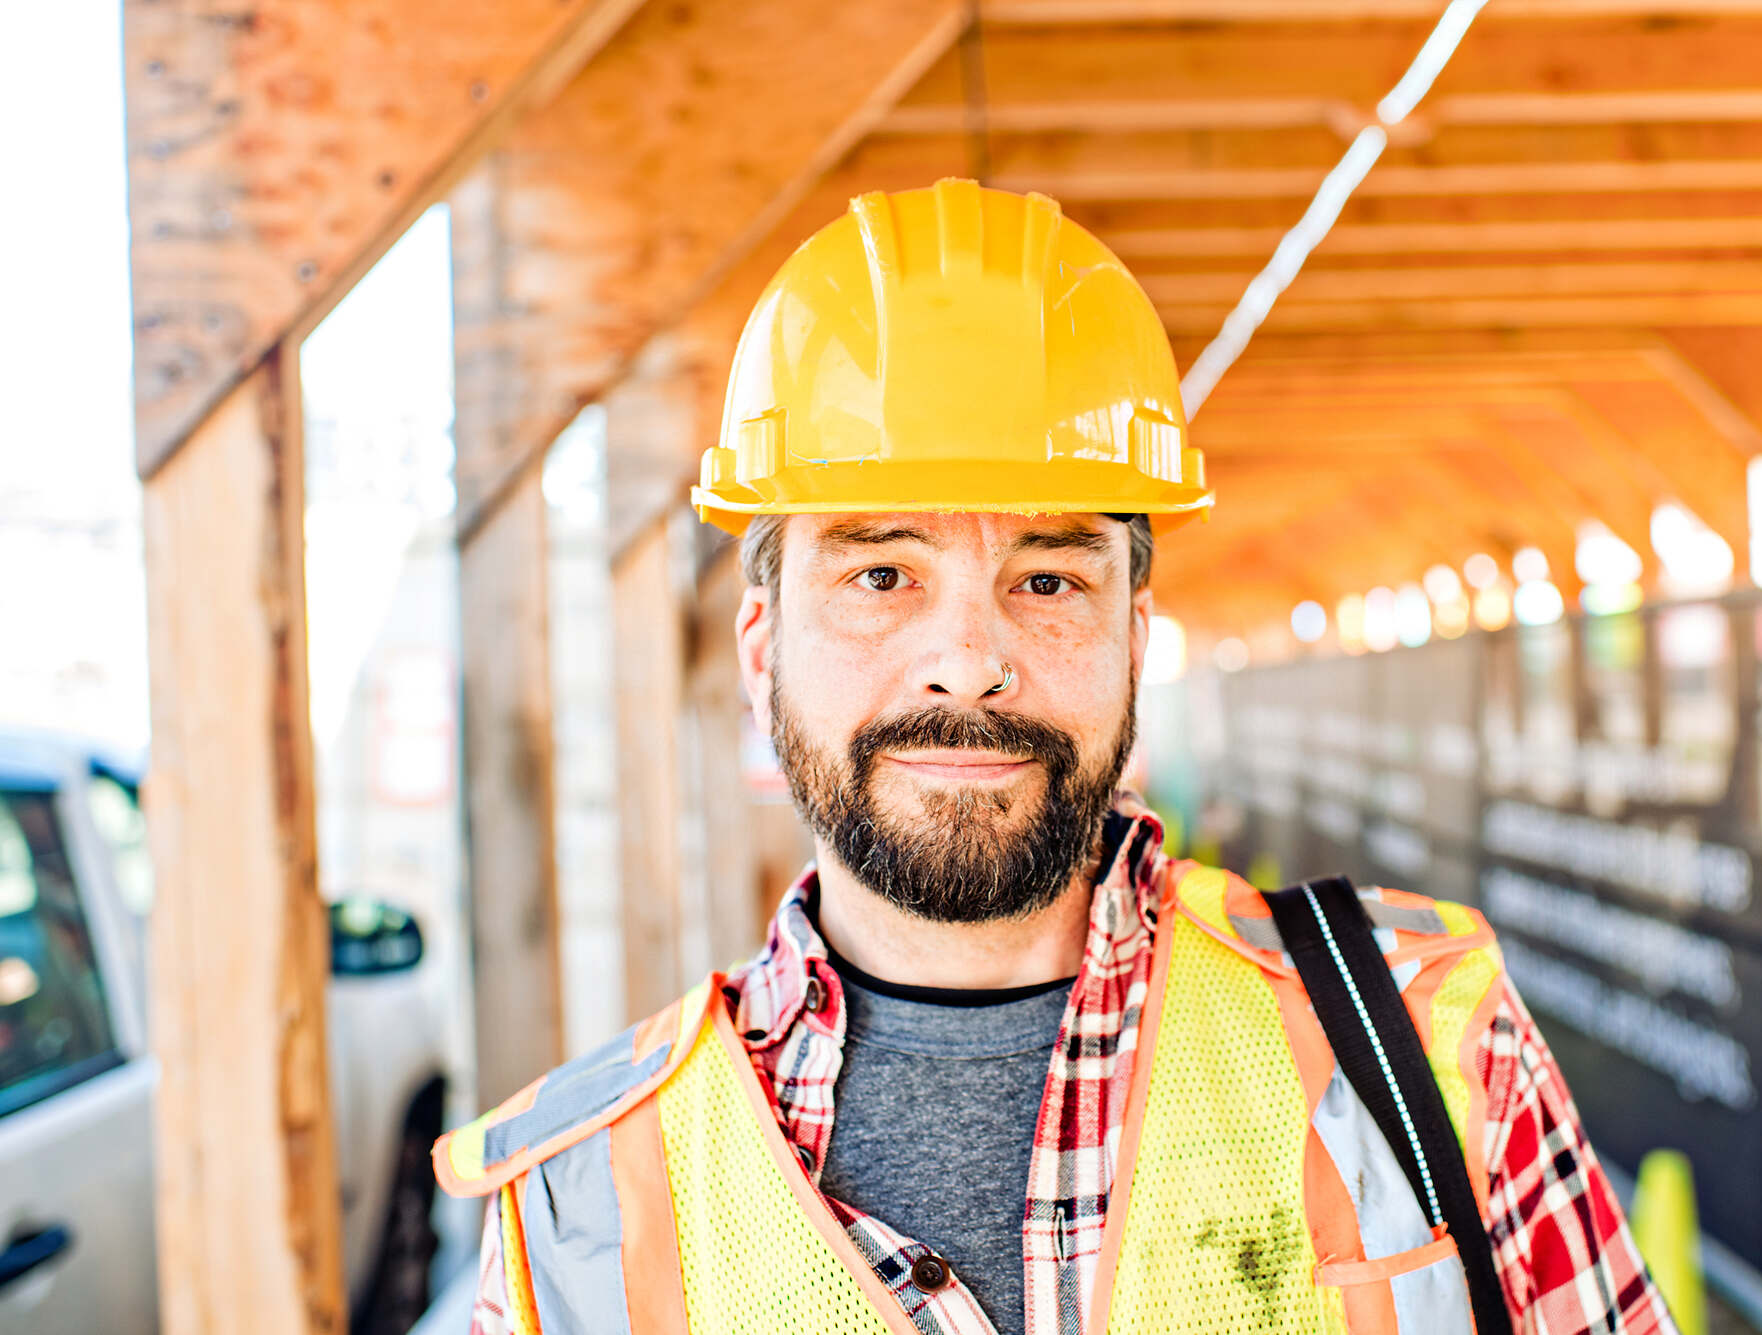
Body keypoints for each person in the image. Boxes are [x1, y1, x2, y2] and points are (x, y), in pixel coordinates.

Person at [435, 178, 1676, 1335]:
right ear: (760, 645)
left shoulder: (1422, 1044)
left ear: (1134, 635)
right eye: (880, 575)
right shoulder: (580, 1195)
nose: (968, 662)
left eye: (1046, 577)